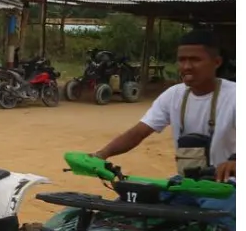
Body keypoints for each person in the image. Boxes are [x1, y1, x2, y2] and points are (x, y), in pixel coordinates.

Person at [93, 28, 235, 218]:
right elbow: (139, 131)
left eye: (195, 60)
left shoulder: (235, 96)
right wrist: (102, 154)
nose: (186, 66)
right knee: (126, 214)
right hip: (187, 184)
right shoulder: (173, 95)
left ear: (216, 62)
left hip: (227, 188)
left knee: (221, 228)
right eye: (182, 60)